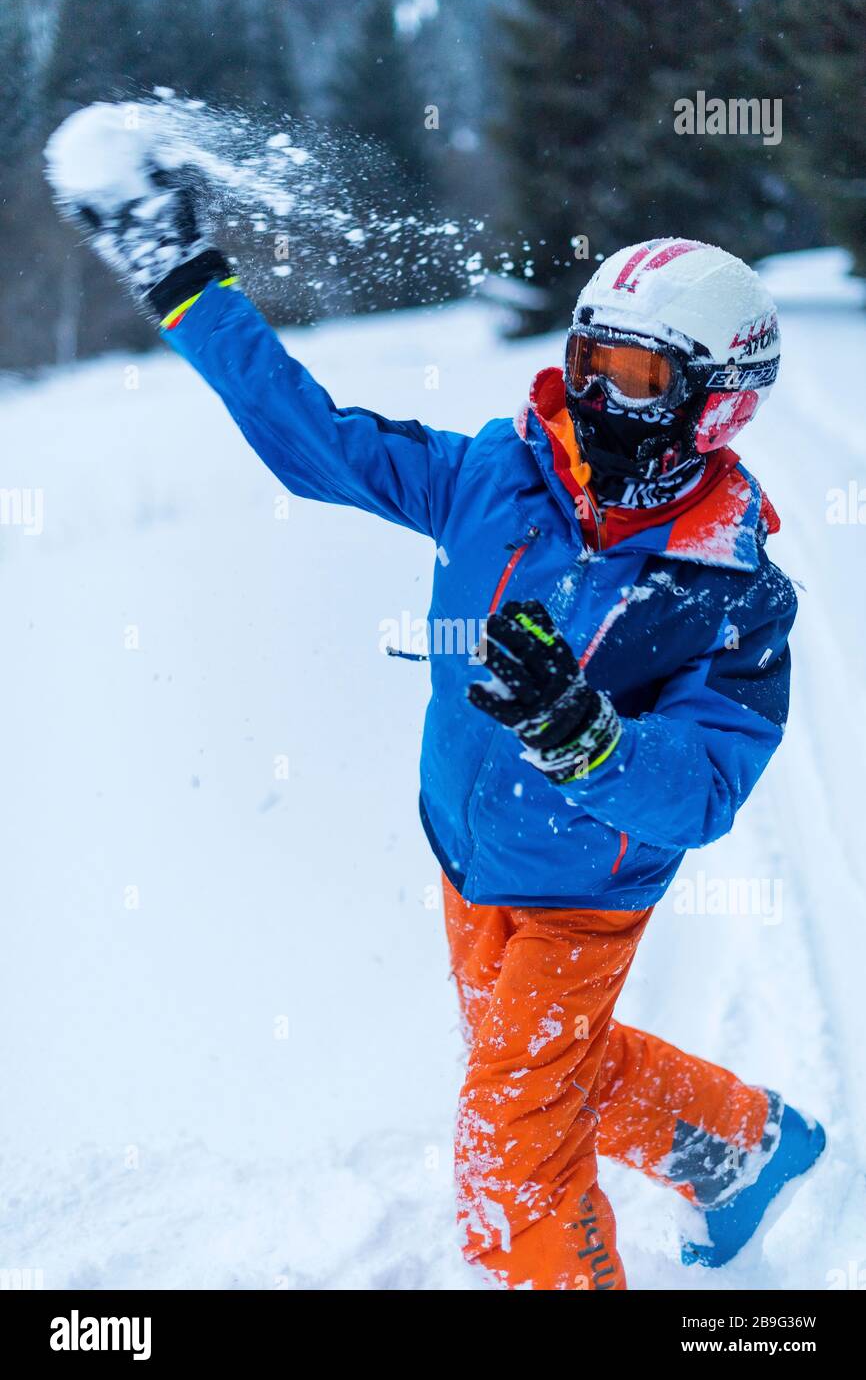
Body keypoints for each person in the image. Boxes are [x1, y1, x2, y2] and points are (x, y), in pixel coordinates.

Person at [46, 104, 826, 1291]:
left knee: (511, 1145)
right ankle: (738, 1144)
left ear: (715, 399)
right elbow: (312, 439)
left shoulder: (730, 590)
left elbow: (704, 788)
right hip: (464, 852)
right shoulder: (492, 475)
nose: (606, 397)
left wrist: (588, 737)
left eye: (640, 375)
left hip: (584, 894)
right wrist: (187, 281)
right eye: (591, 364)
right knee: (537, 1067)